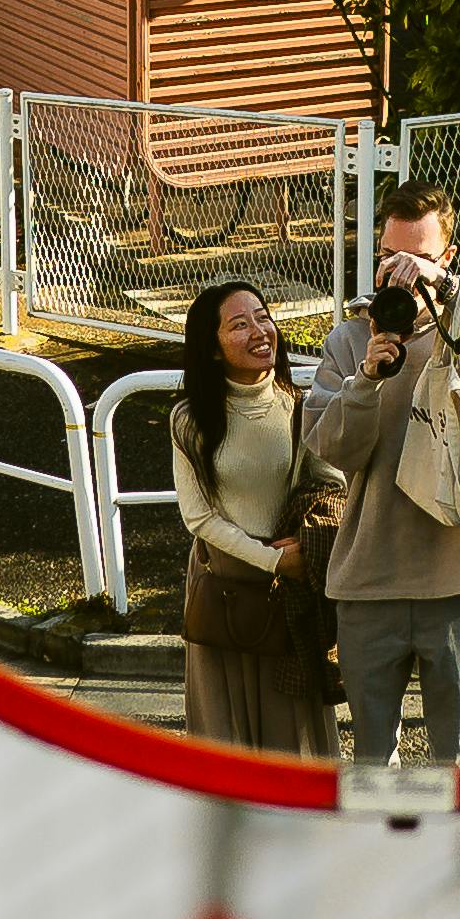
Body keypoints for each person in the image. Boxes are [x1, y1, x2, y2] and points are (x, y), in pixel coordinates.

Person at [297, 179, 460, 781]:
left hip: (458, 571)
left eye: (418, 261)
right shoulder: (350, 339)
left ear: (447, 260)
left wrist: (451, 296)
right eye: (388, 258)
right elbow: (328, 449)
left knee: (453, 761)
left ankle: (449, 866)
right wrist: (365, 381)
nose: (399, 274)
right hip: (370, 574)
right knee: (372, 762)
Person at [167, 281, 335, 755]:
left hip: (290, 585)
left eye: (263, 317)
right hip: (226, 584)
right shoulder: (189, 417)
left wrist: (306, 546)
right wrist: (270, 560)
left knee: (293, 736)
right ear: (214, 348)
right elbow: (198, 518)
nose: (260, 331)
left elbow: (331, 480)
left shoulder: (297, 403)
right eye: (240, 325)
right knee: (226, 739)